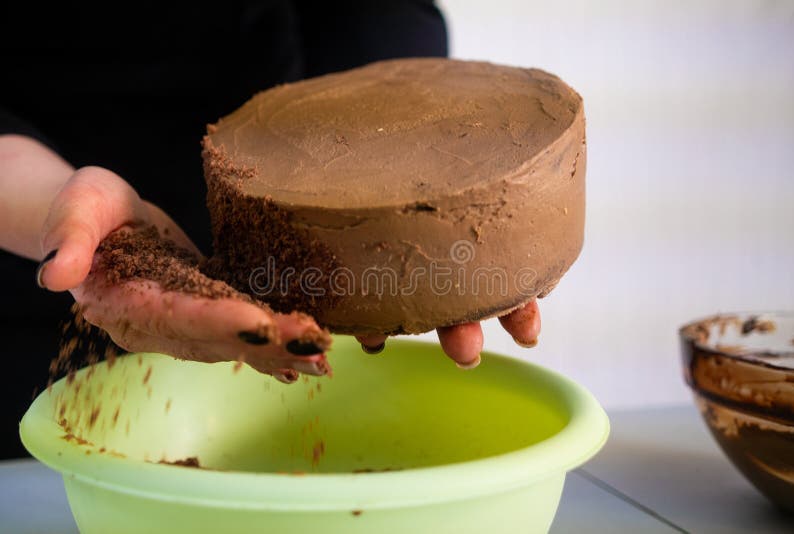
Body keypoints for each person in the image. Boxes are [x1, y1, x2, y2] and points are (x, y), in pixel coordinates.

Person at [0, 1, 540, 458]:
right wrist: (51, 202)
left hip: (307, 260)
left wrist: (384, 171)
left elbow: (382, 10)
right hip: (34, 277)